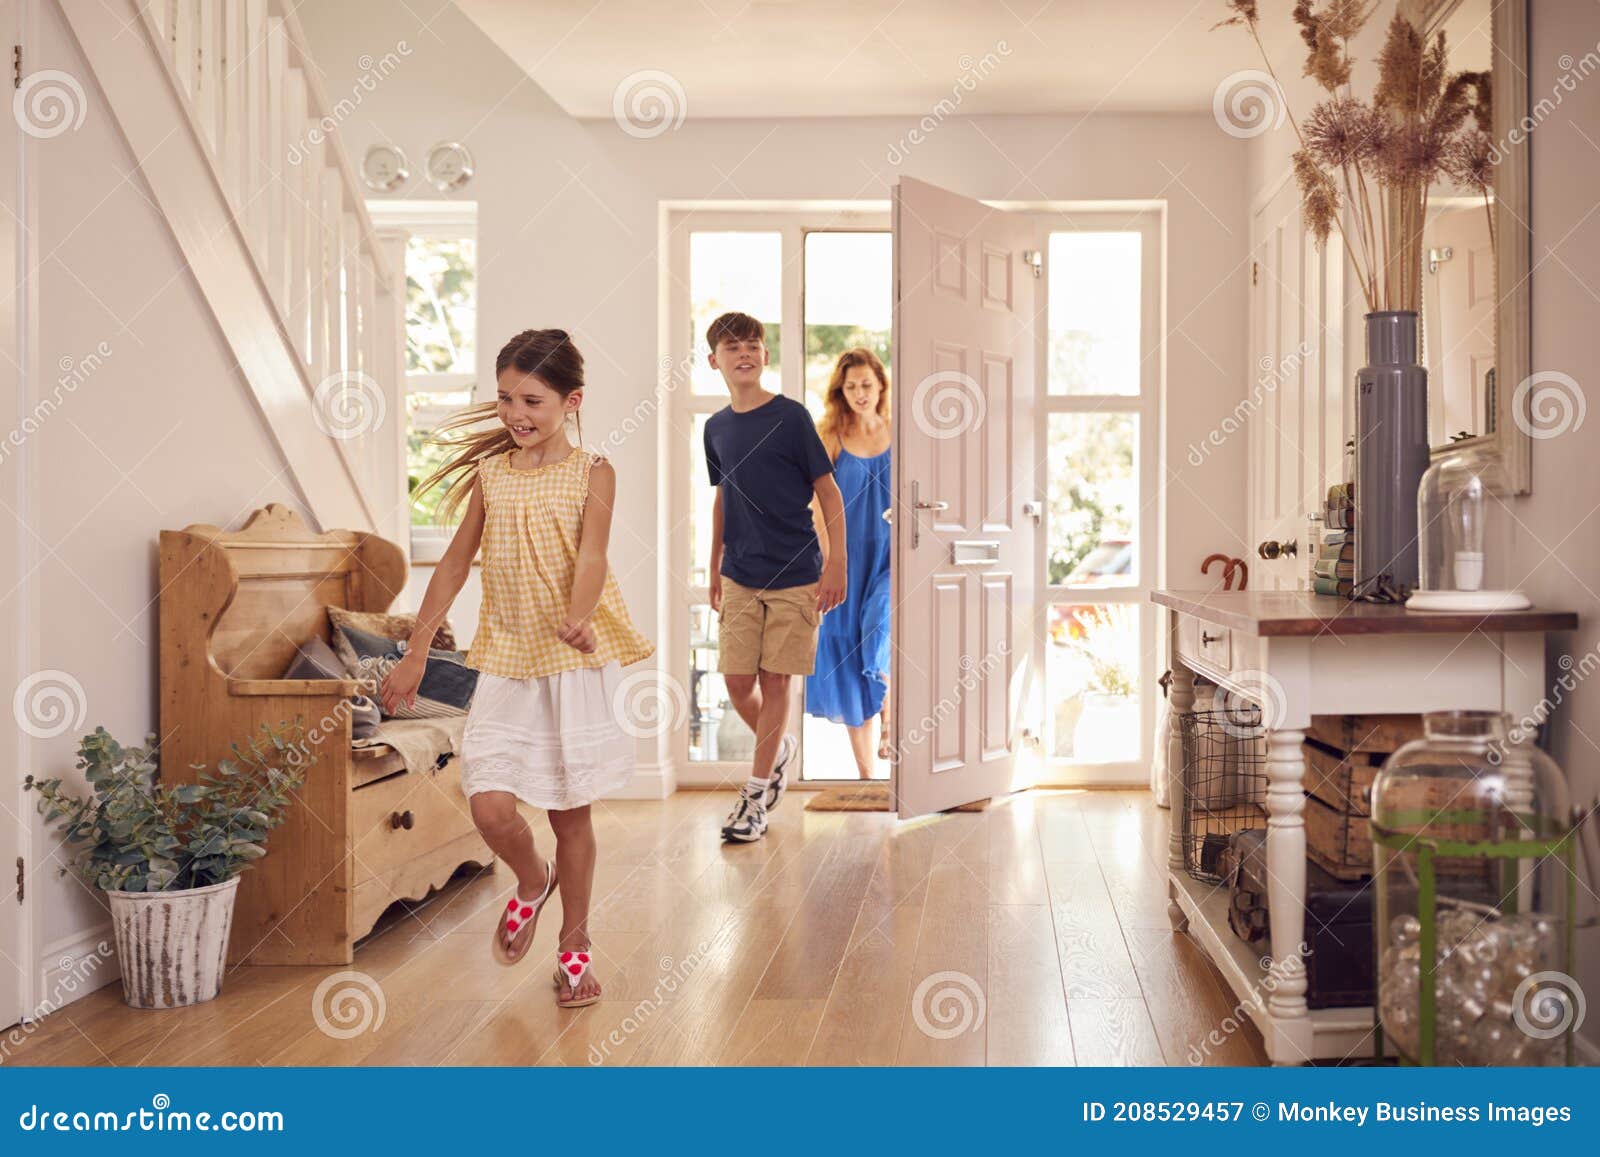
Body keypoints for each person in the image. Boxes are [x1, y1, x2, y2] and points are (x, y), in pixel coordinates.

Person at [380, 329, 652, 1009]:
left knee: (569, 813)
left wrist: (582, 612)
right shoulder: (492, 473)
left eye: (531, 399)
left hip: (569, 659)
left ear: (572, 400)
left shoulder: (595, 470)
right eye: (505, 398)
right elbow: (452, 562)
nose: (515, 413)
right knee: (490, 803)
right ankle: (533, 880)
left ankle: (575, 943)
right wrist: (415, 650)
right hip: (504, 656)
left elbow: (591, 556)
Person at [703, 311, 847, 842]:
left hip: (796, 572)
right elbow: (723, 497)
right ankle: (779, 748)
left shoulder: (791, 418)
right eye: (732, 346)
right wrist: (713, 561)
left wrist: (837, 564)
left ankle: (755, 796)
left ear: (765, 356)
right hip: (740, 572)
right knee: (737, 681)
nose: (744, 353)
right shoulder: (715, 427)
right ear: (713, 359)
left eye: (754, 345)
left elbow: (828, 494)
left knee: (774, 679)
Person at [805, 349, 892, 777]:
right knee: (848, 653)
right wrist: (827, 563)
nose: (860, 393)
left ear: (881, 387)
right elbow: (820, 506)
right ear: (842, 391)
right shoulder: (831, 437)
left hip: (895, 556)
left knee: (885, 625)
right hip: (846, 557)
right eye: (851, 386)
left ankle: (892, 721)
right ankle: (866, 777)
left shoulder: (902, 432)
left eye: (867, 385)